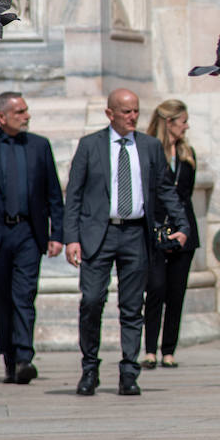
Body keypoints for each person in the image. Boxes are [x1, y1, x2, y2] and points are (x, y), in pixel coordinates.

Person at [64, 89, 190, 397]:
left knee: (133, 306)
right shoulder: (90, 146)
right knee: (92, 301)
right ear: (110, 114)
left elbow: (164, 189)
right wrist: (71, 239)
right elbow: (74, 196)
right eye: (126, 112)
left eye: (135, 110)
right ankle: (90, 368)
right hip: (99, 234)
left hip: (135, 234)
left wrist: (182, 224)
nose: (133, 116)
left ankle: (129, 372)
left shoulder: (149, 147)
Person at [0, 92, 64, 385]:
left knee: (24, 295)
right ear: (1, 117)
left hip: (29, 232)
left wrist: (58, 234)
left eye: (26, 110)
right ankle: (9, 356)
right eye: (19, 112)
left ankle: (24, 357)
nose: (26, 116)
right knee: (2, 297)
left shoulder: (40, 146)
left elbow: (54, 193)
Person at [143, 99, 202, 369]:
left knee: (176, 293)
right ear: (169, 123)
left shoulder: (187, 153)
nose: (186, 126)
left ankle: (169, 350)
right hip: (154, 231)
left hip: (184, 233)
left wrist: (181, 230)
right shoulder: (148, 151)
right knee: (155, 289)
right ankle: (150, 349)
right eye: (183, 121)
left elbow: (186, 196)